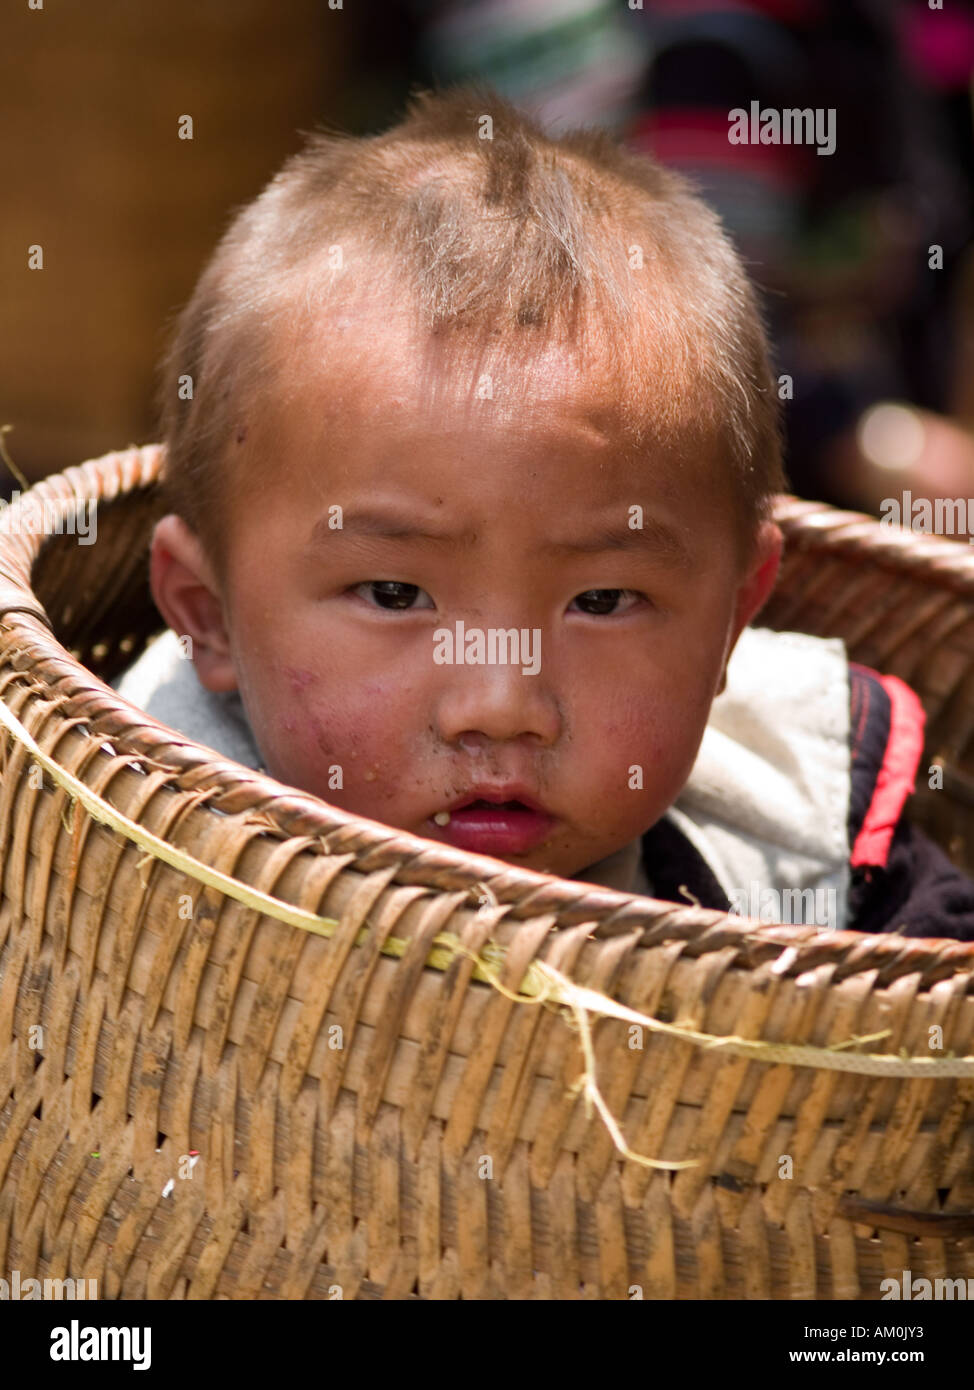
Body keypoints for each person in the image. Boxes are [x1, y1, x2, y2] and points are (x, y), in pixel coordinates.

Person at [113, 84, 974, 939]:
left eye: (600, 602)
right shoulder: (118, 847)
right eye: (392, 593)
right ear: (208, 618)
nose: (501, 703)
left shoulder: (813, 846)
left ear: (733, 621)